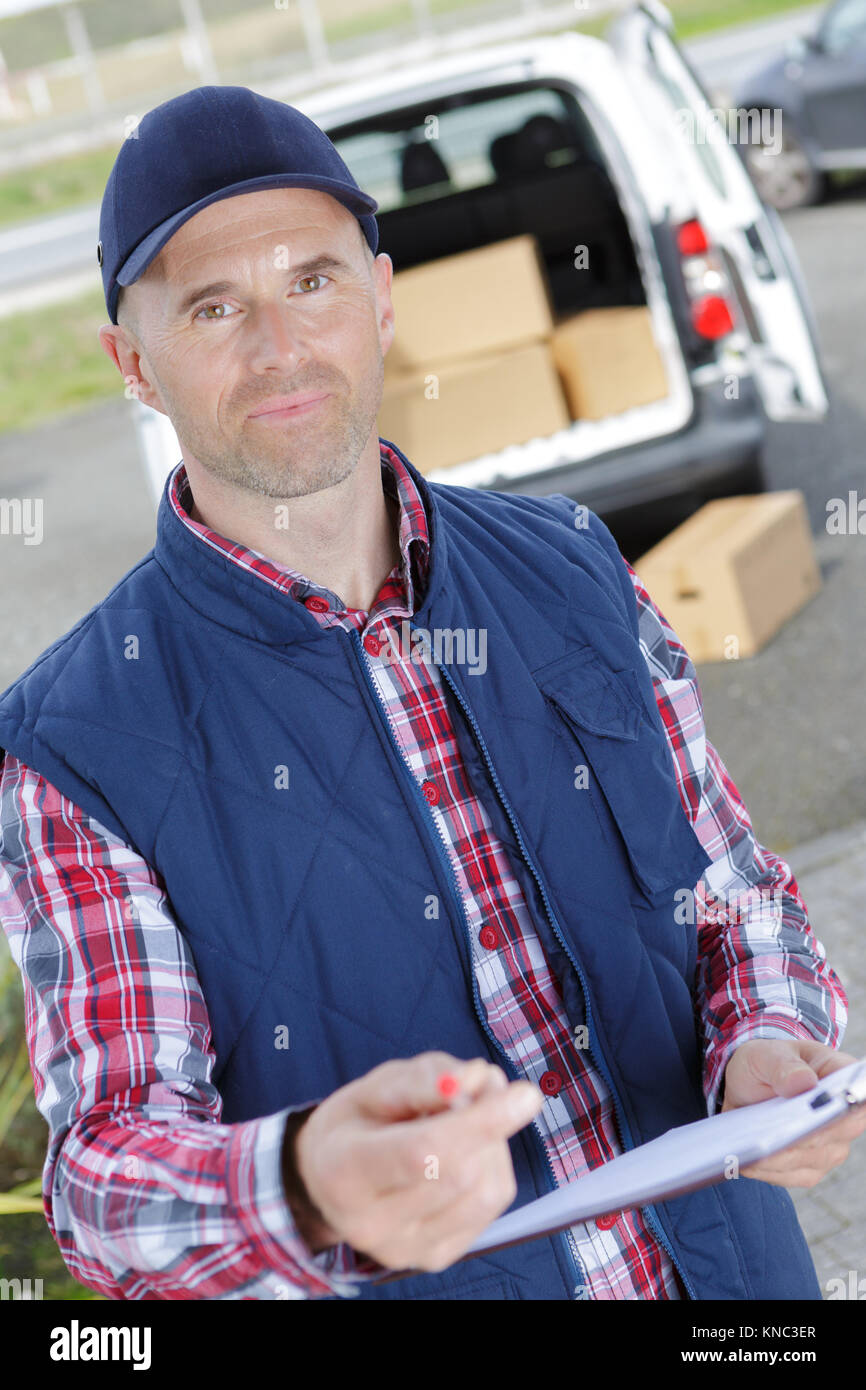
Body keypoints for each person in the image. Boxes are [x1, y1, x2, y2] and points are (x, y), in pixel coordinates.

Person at [0, 85, 863, 1303]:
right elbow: (101, 1184)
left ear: (383, 297)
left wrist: (763, 1041)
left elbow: (732, 892)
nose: (279, 343)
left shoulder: (568, 562)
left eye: (313, 281)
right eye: (211, 306)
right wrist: (300, 1181)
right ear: (131, 363)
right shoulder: (74, 744)